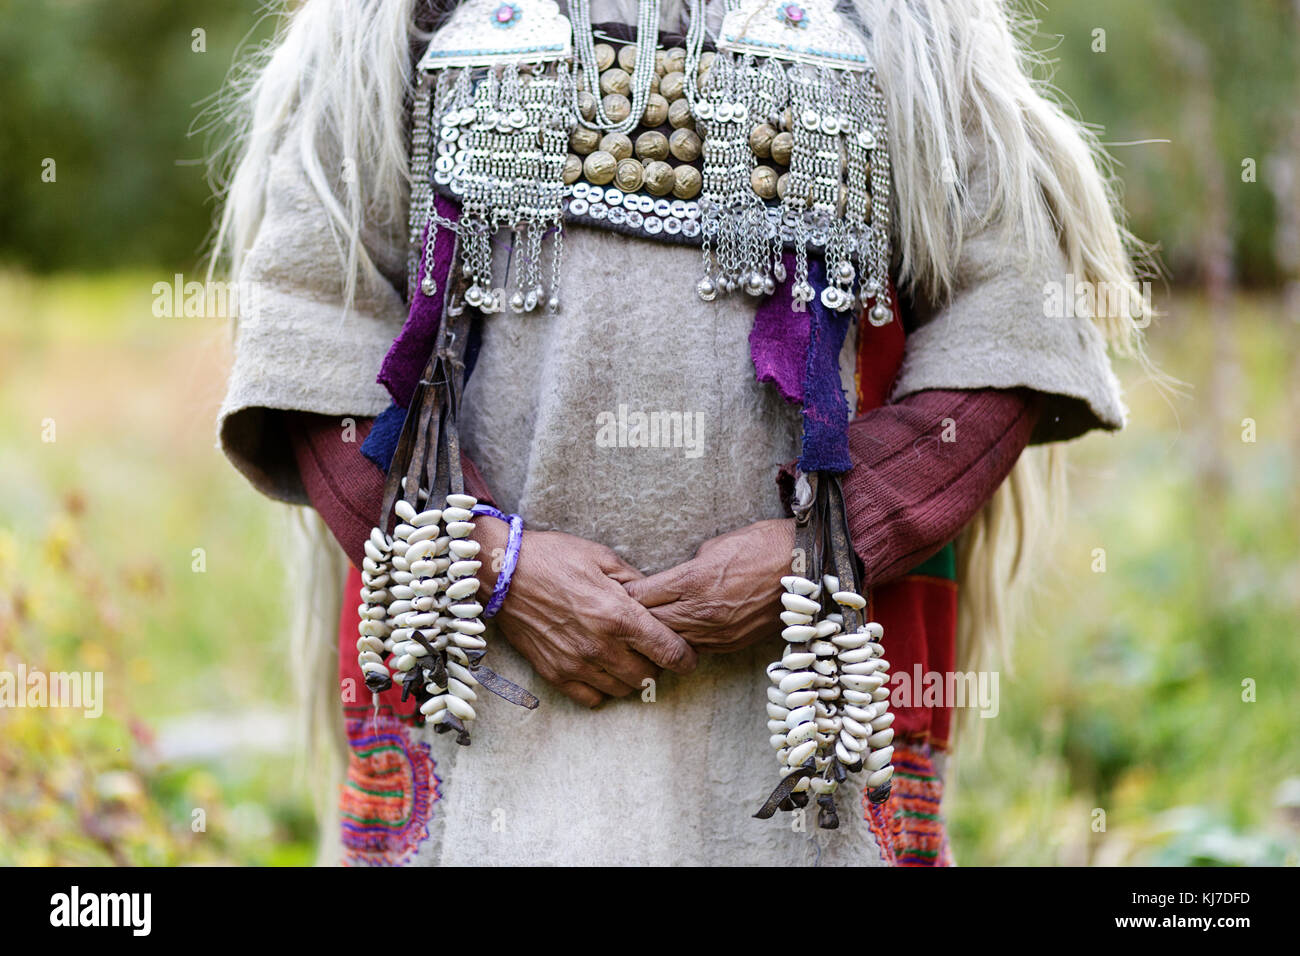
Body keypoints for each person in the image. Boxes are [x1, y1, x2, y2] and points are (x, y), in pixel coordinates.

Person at [214, 0, 1144, 865]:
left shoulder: (913, 25)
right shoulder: (389, 26)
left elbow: (1011, 322)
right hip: (491, 685)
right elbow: (313, 338)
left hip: (800, 687)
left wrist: (824, 546)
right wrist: (493, 570)